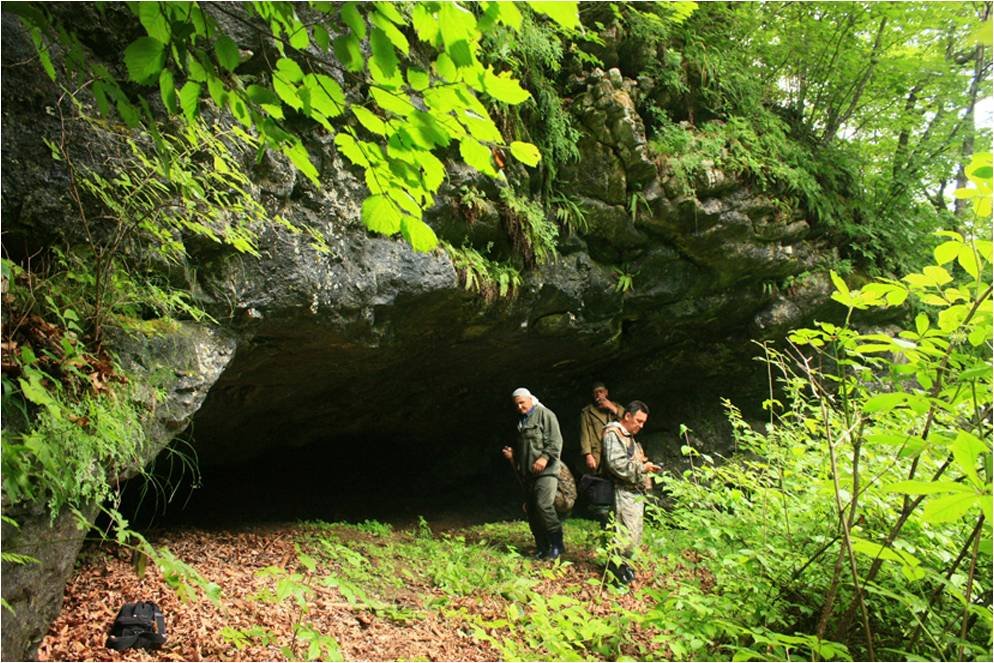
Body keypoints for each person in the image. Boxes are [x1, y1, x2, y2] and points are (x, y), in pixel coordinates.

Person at [502, 388, 565, 560]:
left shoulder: (545, 414)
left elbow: (556, 441)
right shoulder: (521, 422)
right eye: (517, 404)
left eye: (522, 402)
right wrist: (513, 457)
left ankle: (557, 545)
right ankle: (542, 547)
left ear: (530, 399)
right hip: (529, 474)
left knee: (543, 505)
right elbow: (525, 449)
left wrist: (544, 458)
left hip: (547, 472)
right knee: (531, 510)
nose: (520, 407)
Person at [601, 400, 660, 584]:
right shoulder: (613, 433)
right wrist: (642, 468)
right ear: (627, 416)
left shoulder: (629, 437)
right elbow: (615, 464)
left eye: (643, 423)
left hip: (633, 494)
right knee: (621, 533)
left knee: (633, 535)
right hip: (621, 491)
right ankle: (616, 573)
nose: (641, 426)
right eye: (639, 421)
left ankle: (623, 568)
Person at [578, 382, 623, 526]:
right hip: (598, 453)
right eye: (596, 393)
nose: (599, 395)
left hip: (616, 452)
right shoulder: (587, 412)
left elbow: (629, 421)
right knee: (599, 482)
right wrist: (587, 454)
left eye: (601, 392)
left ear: (607, 392)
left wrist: (612, 408)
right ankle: (600, 515)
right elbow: (584, 434)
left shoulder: (616, 407)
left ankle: (616, 512)